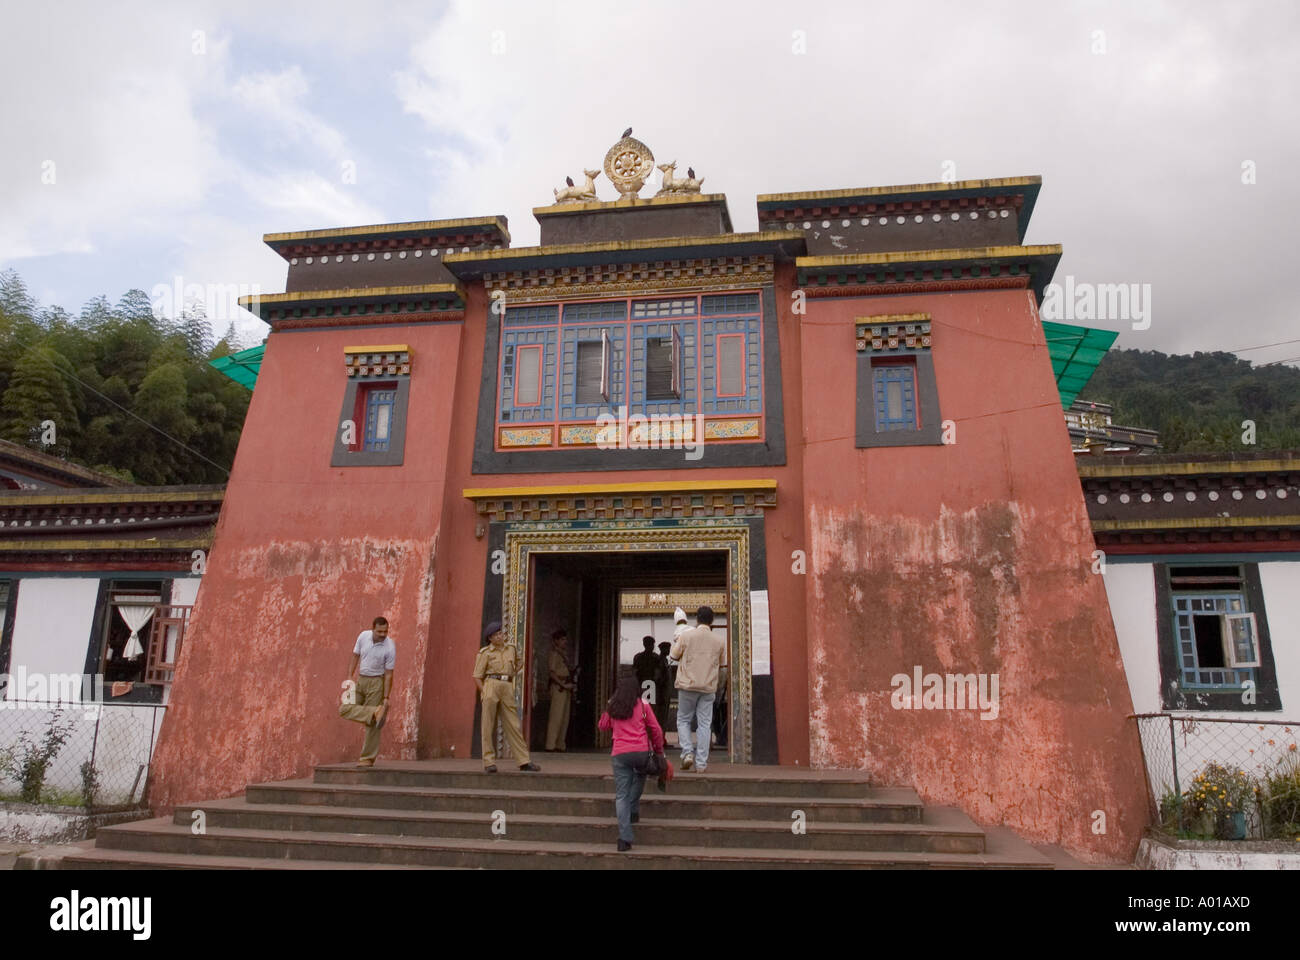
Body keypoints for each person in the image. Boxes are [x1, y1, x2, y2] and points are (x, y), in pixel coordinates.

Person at [598, 665, 665, 851]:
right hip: (641, 751)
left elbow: (602, 726)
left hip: (620, 754)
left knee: (621, 796)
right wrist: (659, 751)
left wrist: (607, 707)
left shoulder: (614, 706)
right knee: (640, 776)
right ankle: (633, 809)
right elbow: (656, 730)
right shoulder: (643, 706)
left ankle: (624, 839)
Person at [473, 620, 541, 773]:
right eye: (495, 635)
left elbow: (519, 662)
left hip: (507, 686)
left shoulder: (511, 649)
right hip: (491, 683)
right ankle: (489, 761)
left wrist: (511, 674)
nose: (499, 636)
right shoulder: (486, 653)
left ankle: (524, 760)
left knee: (513, 724)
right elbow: (477, 675)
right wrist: (484, 691)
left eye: (500, 633)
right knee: (487, 724)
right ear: (490, 638)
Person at [670, 605, 727, 773]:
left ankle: (687, 752)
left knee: (683, 719)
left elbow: (673, 656)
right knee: (704, 724)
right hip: (708, 687)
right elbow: (722, 666)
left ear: (697, 619)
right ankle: (701, 763)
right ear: (712, 621)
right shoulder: (719, 641)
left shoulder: (686, 636)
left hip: (687, 684)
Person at [339, 616, 394, 768]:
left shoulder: (390, 647)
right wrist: (350, 676)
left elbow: (389, 674)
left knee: (372, 726)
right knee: (344, 709)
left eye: (385, 631)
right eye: (380, 631)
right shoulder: (363, 636)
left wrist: (386, 697)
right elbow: (355, 655)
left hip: (377, 683)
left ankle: (367, 758)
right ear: (373, 628)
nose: (383, 634)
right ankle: (375, 712)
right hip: (360, 680)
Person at [546, 628, 576, 751]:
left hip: (566, 687)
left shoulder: (564, 654)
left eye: (565, 639)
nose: (565, 641)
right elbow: (552, 673)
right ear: (556, 641)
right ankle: (550, 745)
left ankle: (560, 744)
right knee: (556, 717)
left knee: (564, 718)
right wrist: (563, 685)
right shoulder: (554, 654)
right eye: (562, 639)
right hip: (559, 686)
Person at [653, 641, 672, 731]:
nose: (669, 650)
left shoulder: (665, 660)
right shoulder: (660, 661)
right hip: (661, 694)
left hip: (665, 693)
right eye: (667, 648)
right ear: (662, 649)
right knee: (661, 717)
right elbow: (658, 678)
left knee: (663, 717)